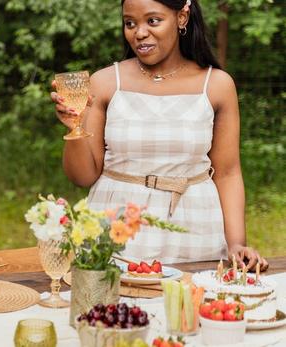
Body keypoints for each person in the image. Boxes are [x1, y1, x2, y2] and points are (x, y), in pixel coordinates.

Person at [50, 0, 268, 270]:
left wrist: (236, 243)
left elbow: (228, 172)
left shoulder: (217, 85)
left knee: (191, 308)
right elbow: (82, 176)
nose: (139, 33)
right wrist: (75, 125)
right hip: (116, 231)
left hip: (196, 229)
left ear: (182, 17)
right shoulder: (104, 83)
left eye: (152, 21)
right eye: (130, 23)